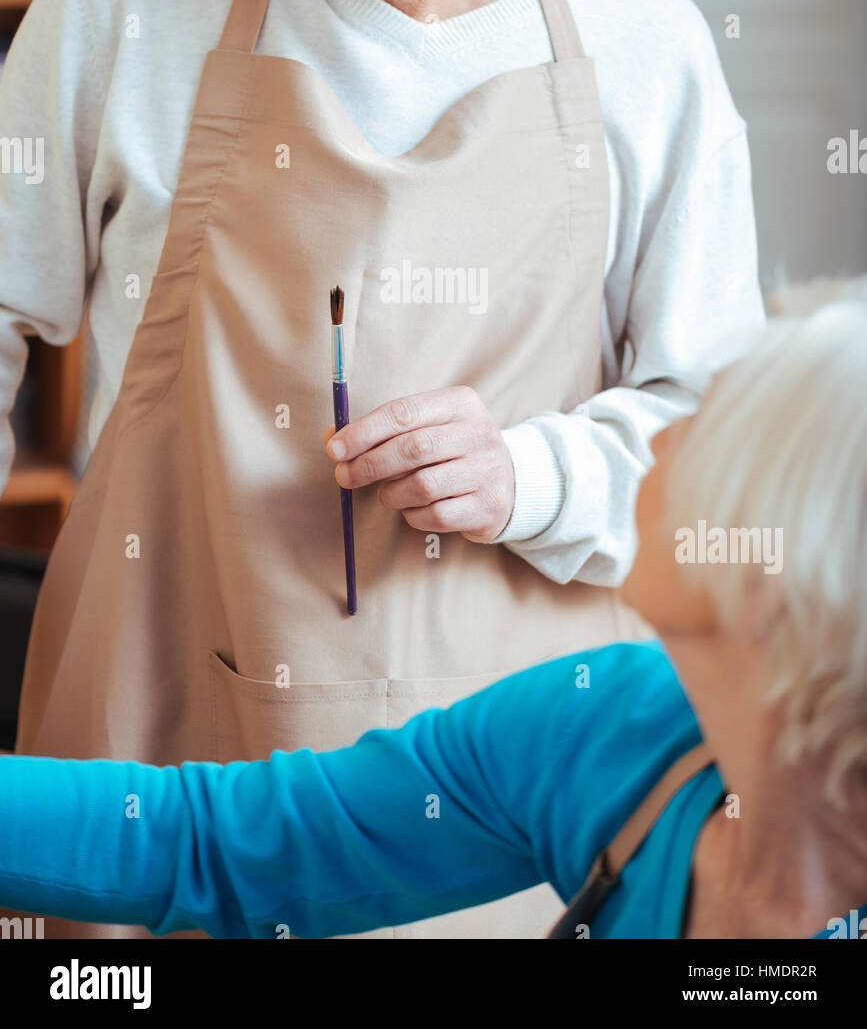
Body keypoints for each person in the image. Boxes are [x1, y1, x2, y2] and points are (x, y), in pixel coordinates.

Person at [0, 0, 763, 939]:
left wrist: (529, 473)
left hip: (516, 835)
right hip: (155, 767)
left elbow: (724, 470)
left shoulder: (648, 49)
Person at [0, 277, 863, 940]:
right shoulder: (605, 725)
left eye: (706, 425)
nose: (658, 435)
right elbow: (218, 842)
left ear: (771, 584)